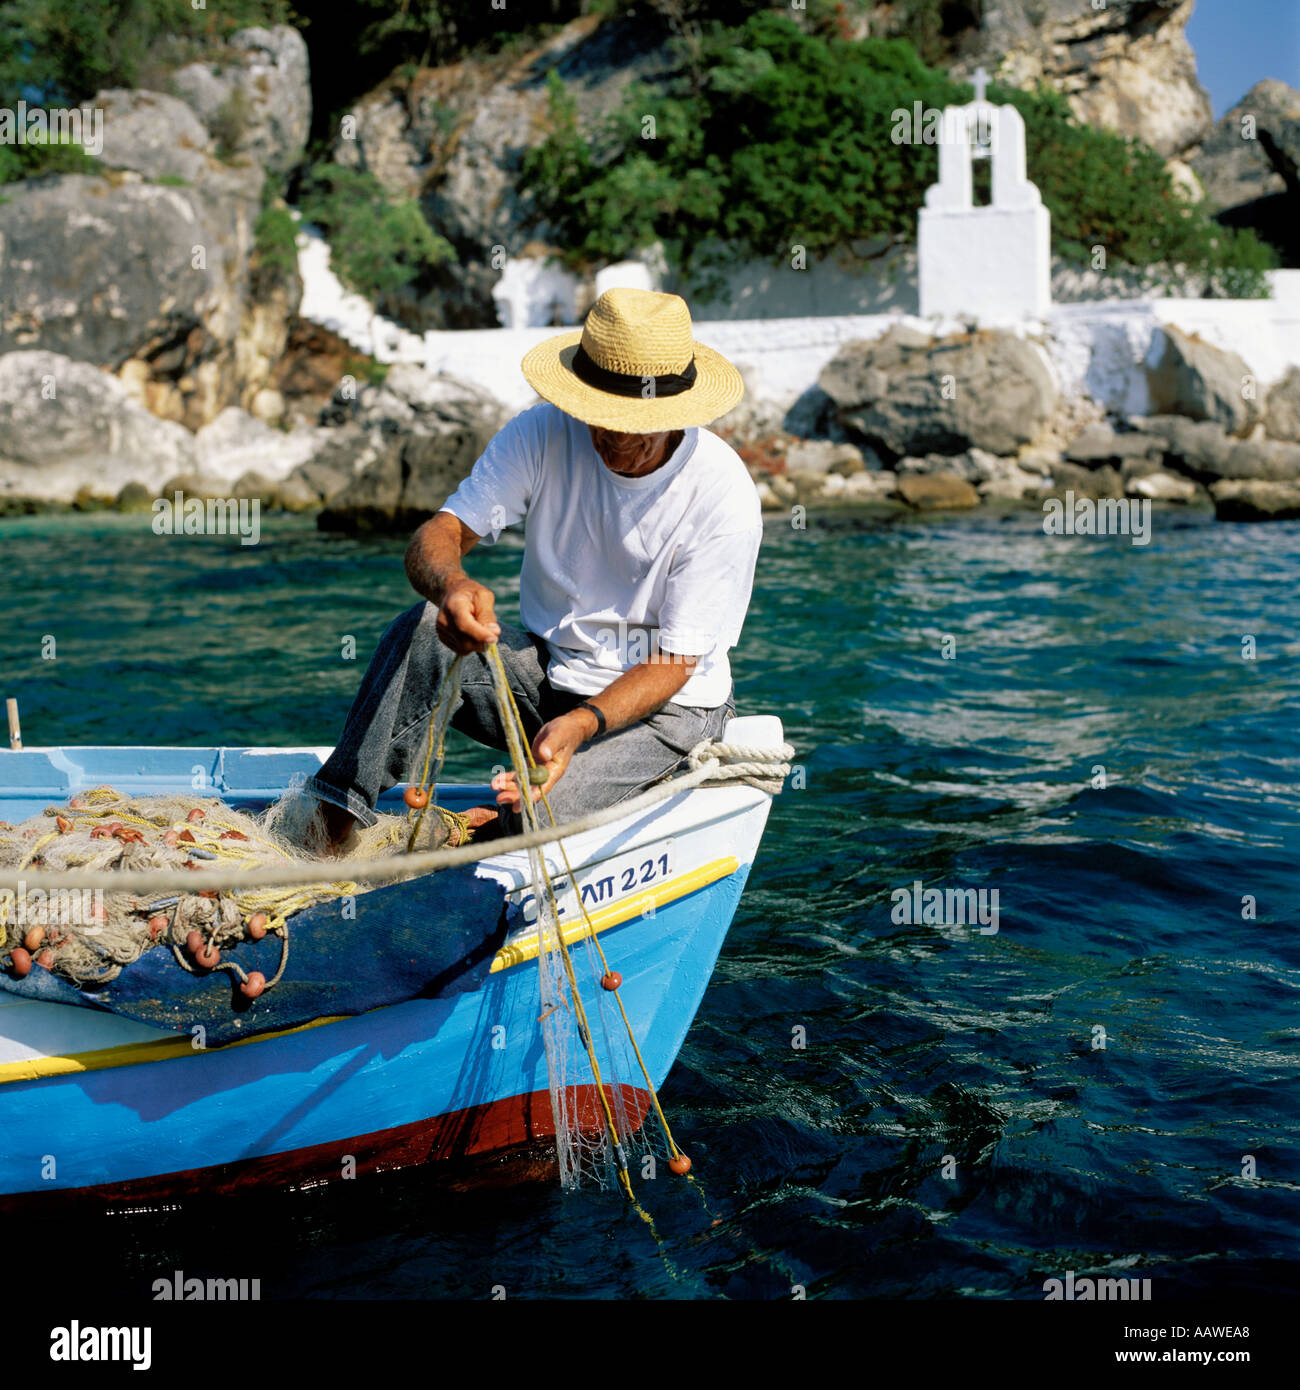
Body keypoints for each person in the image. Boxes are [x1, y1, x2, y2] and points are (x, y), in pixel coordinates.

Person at [302, 286, 763, 853]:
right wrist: (453, 586)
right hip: (553, 679)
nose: (615, 435)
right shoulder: (542, 433)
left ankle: (482, 834)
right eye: (601, 416)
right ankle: (330, 832)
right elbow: (439, 534)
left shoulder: (722, 495)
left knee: (528, 828)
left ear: (674, 415)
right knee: (422, 630)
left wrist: (584, 724)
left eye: (634, 423)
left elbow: (676, 662)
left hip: (667, 713)